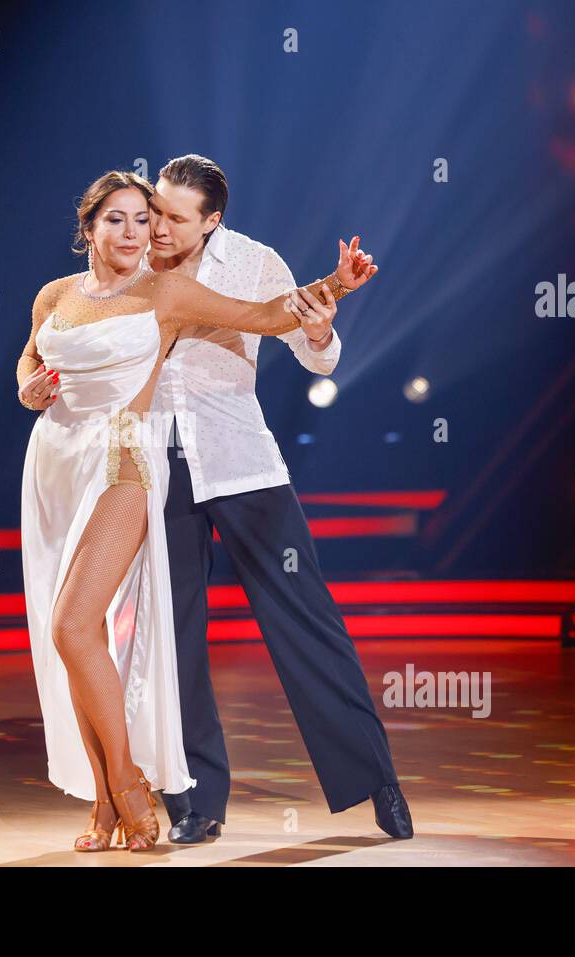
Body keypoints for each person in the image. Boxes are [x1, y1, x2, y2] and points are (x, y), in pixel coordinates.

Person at [16, 169, 377, 851]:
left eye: (148, 218)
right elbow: (31, 359)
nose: (142, 231)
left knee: (79, 627)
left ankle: (131, 785)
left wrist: (335, 289)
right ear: (87, 227)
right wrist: (30, 386)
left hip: (161, 457)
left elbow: (273, 319)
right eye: (121, 219)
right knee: (108, 637)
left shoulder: (185, 283)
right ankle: (133, 804)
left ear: (208, 220)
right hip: (62, 465)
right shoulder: (58, 293)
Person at [142, 155, 413, 844]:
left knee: (307, 620)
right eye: (158, 209)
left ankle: (375, 779)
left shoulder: (255, 263)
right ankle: (196, 800)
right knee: (173, 635)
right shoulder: (132, 260)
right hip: (154, 465)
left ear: (212, 220)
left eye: (177, 216)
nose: (161, 225)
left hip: (242, 464)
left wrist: (322, 326)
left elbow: (313, 347)